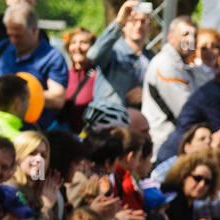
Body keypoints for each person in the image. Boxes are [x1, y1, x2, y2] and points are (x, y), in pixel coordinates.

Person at [0, 4, 66, 129]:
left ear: (34, 30)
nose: (13, 40)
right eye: (10, 35)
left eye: (18, 36)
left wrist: (18, 96)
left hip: (32, 133)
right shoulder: (2, 47)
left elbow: (57, 99)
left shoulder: (52, 57)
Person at [142, 15, 207, 154]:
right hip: (165, 145)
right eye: (185, 34)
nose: (190, 40)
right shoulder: (166, 65)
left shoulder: (185, 66)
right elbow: (186, 111)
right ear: (170, 37)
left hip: (175, 143)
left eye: (194, 36)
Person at [86, 0, 151, 129]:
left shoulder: (152, 58)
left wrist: (146, 94)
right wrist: (118, 22)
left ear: (149, 26)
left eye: (143, 21)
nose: (138, 26)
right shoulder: (113, 52)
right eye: (133, 21)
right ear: (125, 25)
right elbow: (92, 55)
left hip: (134, 128)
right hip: (107, 126)